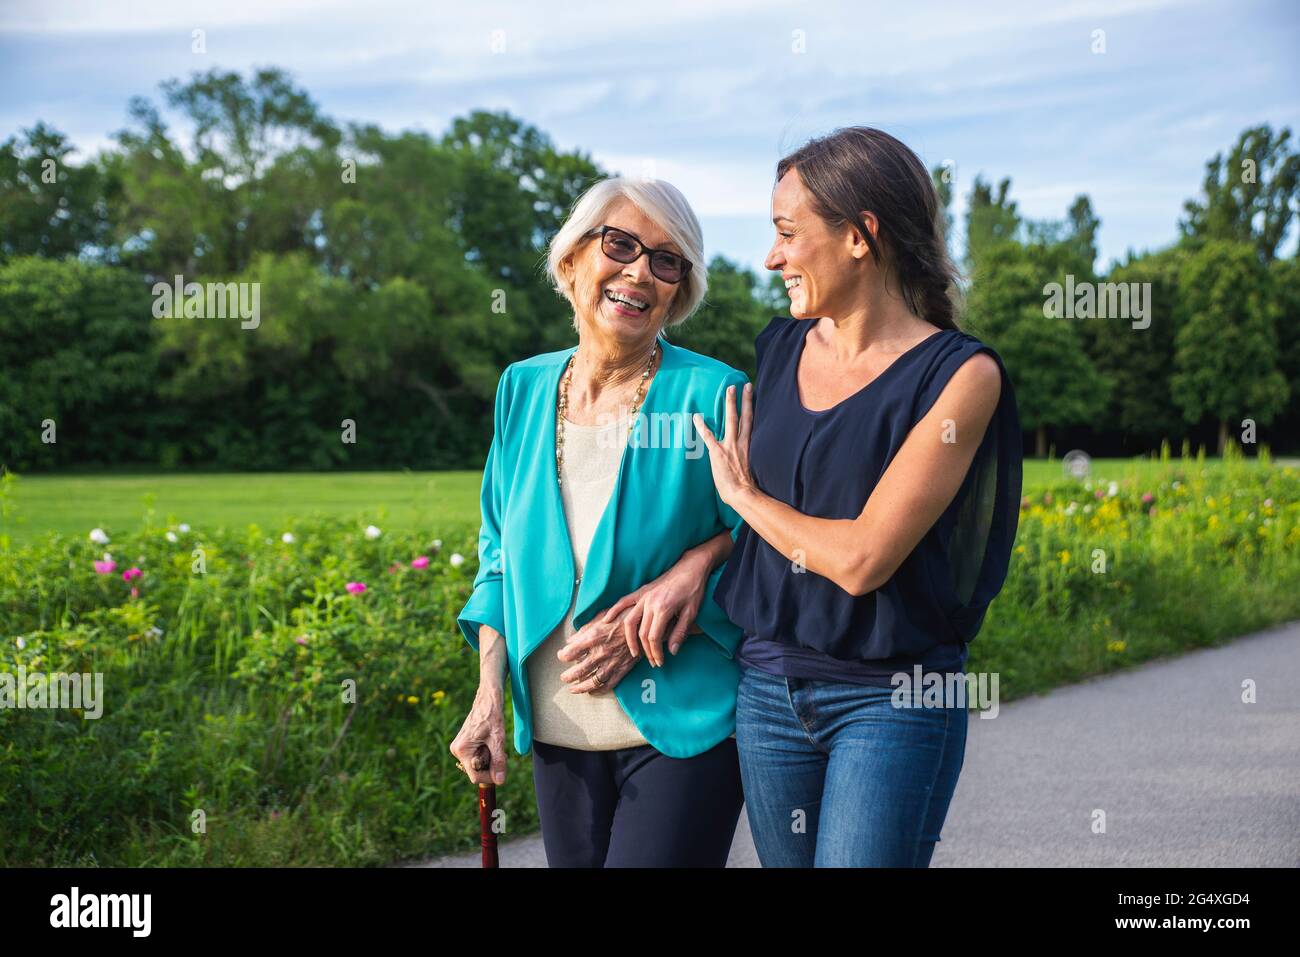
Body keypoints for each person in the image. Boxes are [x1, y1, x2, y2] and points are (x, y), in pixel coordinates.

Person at [699, 127, 1024, 867]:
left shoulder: (960, 375)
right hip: (769, 689)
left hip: (893, 701)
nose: (771, 256)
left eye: (787, 233)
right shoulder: (779, 348)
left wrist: (743, 498)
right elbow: (765, 539)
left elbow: (861, 559)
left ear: (858, 236)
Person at [450, 176, 750, 867]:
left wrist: (694, 567)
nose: (640, 271)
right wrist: (489, 694)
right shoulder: (522, 388)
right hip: (559, 731)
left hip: (682, 729)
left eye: (666, 260)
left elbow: (765, 542)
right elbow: (498, 555)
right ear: (570, 260)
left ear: (679, 289)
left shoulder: (714, 392)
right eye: (621, 244)